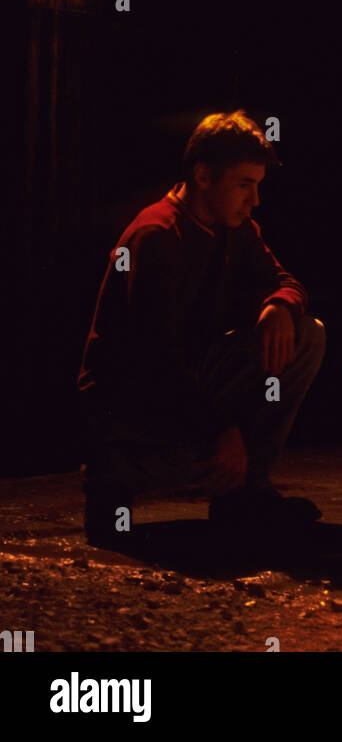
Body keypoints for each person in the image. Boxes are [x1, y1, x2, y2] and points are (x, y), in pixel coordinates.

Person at [77, 111, 325, 547]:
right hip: (133, 403)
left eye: (258, 185)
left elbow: (286, 283)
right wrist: (222, 431)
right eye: (245, 184)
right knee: (195, 453)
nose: (255, 200)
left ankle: (244, 490)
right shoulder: (156, 236)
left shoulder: (237, 230)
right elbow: (155, 363)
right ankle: (115, 476)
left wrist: (278, 306)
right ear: (205, 176)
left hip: (189, 384)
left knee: (306, 334)